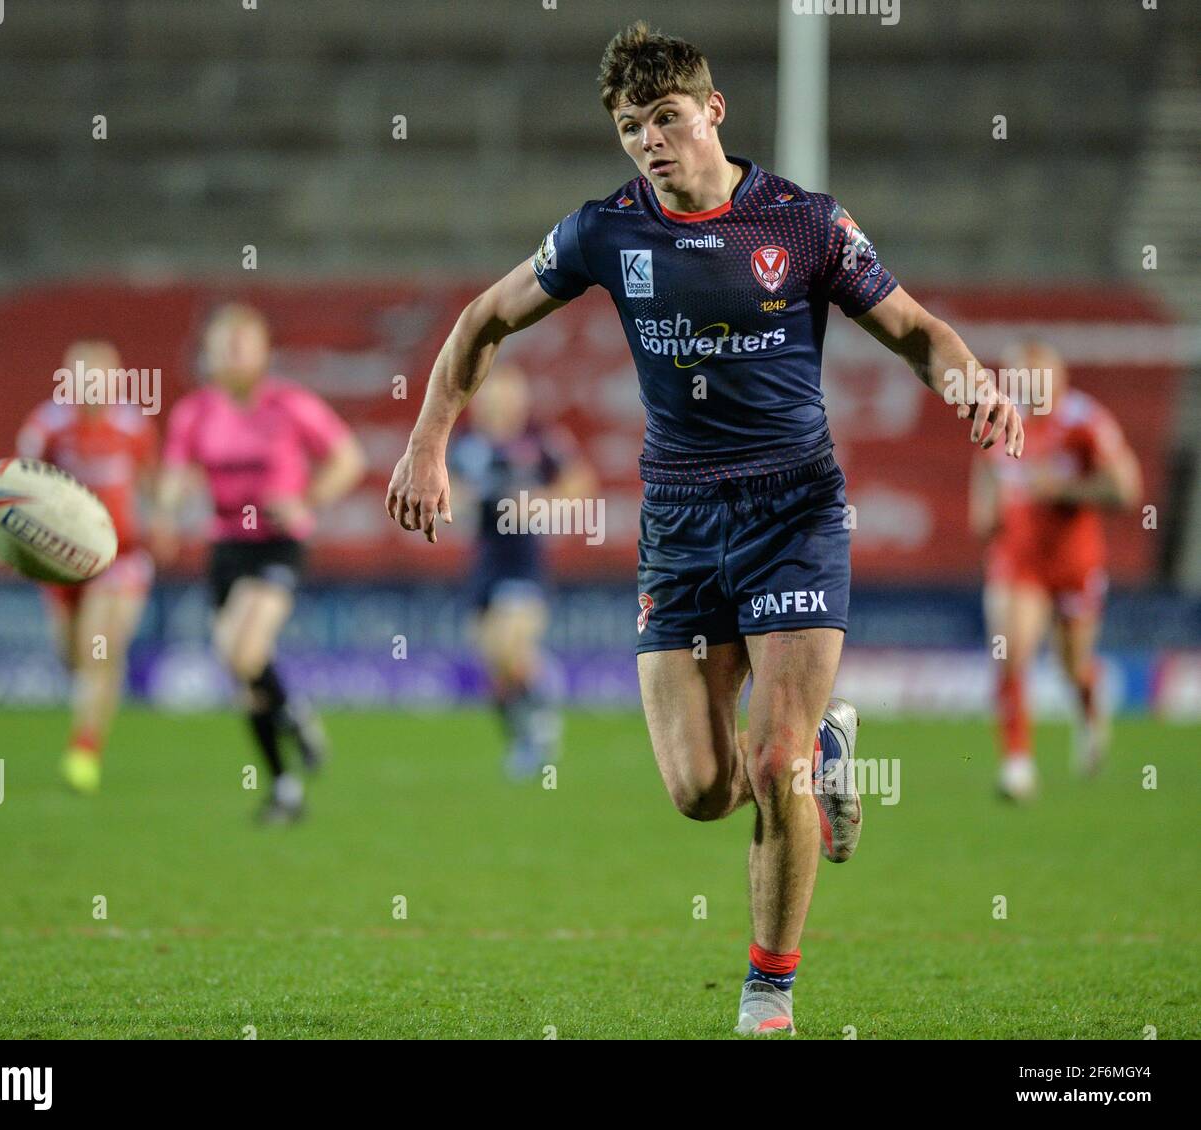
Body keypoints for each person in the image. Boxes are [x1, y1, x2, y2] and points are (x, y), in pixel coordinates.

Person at [385, 22, 1022, 1035]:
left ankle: (768, 987)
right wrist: (427, 442)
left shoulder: (803, 223)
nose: (649, 140)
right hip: (679, 525)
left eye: (667, 118)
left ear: (712, 110)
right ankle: (828, 748)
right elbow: (482, 320)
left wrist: (971, 381)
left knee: (772, 768)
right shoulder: (604, 231)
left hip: (794, 513)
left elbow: (913, 329)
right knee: (697, 789)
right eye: (631, 126)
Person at [153, 303, 366, 823]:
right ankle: (285, 784)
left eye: (242, 343)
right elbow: (176, 475)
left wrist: (307, 501)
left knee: (244, 651)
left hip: (277, 541)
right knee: (239, 667)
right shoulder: (194, 413)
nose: (233, 354)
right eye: (223, 345)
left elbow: (348, 458)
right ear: (208, 355)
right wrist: (164, 511)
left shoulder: (290, 405)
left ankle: (290, 729)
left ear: (264, 351)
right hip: (226, 546)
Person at [971, 341, 1140, 801]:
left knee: (1073, 666)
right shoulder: (1001, 419)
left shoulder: (1085, 421)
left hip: (1075, 563)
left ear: (1059, 378)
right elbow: (986, 470)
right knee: (1011, 654)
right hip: (1017, 562)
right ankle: (1017, 764)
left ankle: (1089, 704)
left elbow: (1126, 488)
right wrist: (984, 514)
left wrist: (1065, 487)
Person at [16, 340, 158, 795]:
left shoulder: (134, 427)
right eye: (83, 376)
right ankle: (91, 720)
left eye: (102, 376)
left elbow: (152, 483)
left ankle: (84, 749)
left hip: (120, 556)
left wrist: (165, 520)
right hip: (61, 561)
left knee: (100, 645)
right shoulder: (46, 426)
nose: (93, 386)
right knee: (73, 654)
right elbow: (21, 487)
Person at [449, 363, 597, 778]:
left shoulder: (542, 442)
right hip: (484, 561)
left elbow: (580, 484)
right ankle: (522, 738)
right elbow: (449, 491)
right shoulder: (465, 446)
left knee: (511, 647)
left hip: (523, 558)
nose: (497, 405)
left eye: (506, 396)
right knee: (492, 661)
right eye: (490, 396)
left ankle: (543, 711)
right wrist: (461, 503)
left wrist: (542, 503)